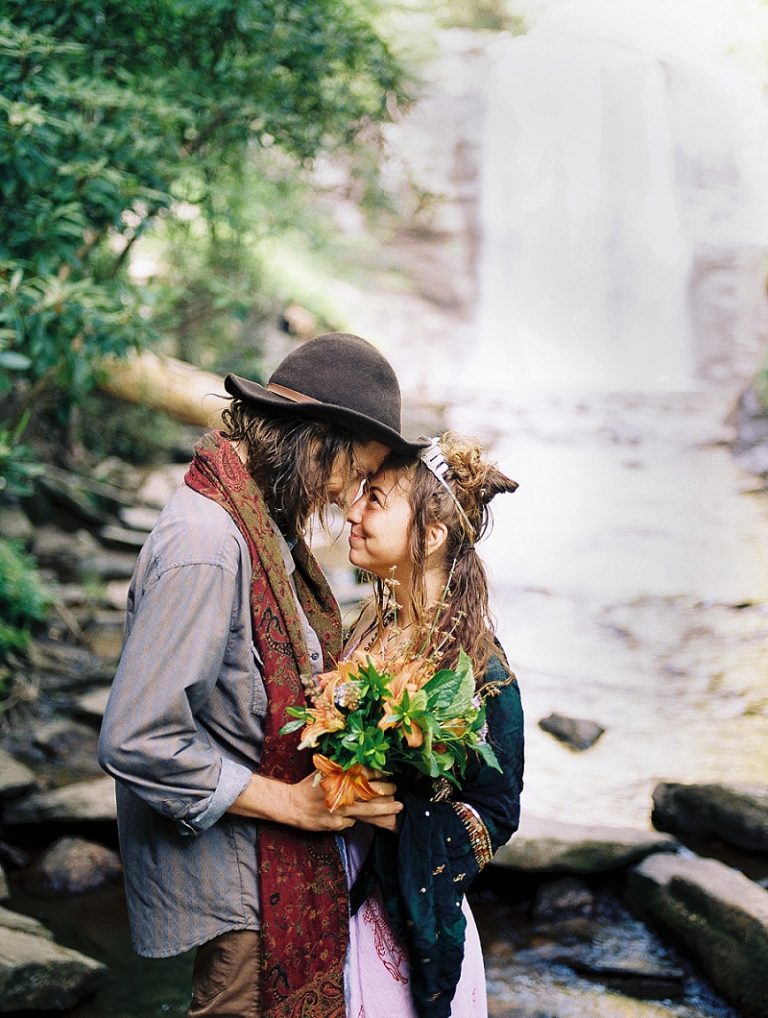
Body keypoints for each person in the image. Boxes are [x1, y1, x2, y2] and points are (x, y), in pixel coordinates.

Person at [98, 332, 428, 1018]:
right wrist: (295, 804)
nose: (347, 497)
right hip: (238, 889)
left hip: (262, 876)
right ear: (316, 443)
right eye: (353, 471)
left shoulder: (260, 524)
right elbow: (136, 739)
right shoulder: (208, 546)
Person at [341, 432, 525, 1018]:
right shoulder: (366, 629)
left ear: (433, 534)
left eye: (375, 500)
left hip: (405, 920)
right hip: (334, 897)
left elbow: (496, 813)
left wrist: (399, 814)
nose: (353, 512)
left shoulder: (483, 674)